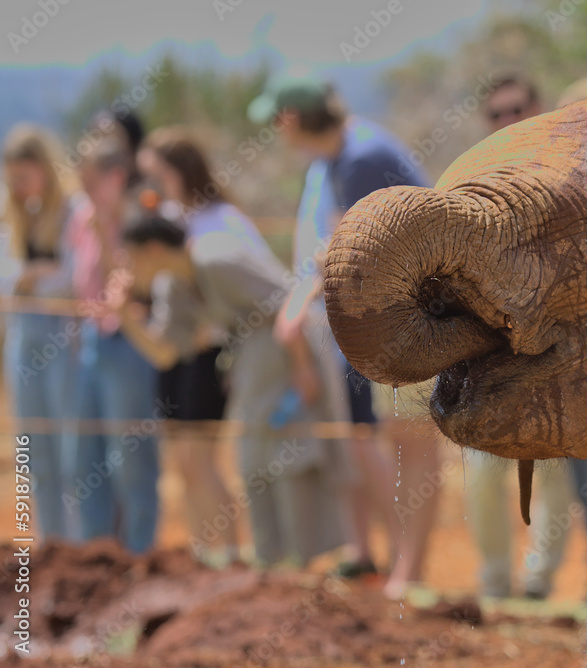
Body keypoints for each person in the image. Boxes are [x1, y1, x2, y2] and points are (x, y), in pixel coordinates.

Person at [248, 76, 441, 597]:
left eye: (277, 118)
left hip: (412, 322)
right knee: (375, 443)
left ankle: (411, 570)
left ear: (292, 118)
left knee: (410, 444)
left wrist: (304, 296)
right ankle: (396, 564)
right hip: (377, 325)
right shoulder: (338, 159)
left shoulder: (361, 159)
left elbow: (357, 248)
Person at [114, 199, 356, 568]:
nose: (130, 269)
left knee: (294, 459)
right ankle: (271, 567)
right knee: (255, 465)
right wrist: (125, 317)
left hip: (286, 358)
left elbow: (288, 303)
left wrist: (303, 369)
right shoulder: (175, 284)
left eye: (132, 258)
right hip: (250, 369)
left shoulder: (215, 258)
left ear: (154, 249)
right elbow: (165, 353)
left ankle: (305, 566)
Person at [462, 73, 587, 599]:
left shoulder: (570, 172)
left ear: (536, 107)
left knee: (559, 479)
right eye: (495, 114)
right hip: (490, 351)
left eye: (515, 109)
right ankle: (495, 579)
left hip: (559, 348)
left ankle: (540, 580)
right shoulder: (475, 179)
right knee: (484, 477)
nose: (506, 121)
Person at [135, 127, 267, 565]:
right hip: (175, 350)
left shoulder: (222, 219)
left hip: (210, 356)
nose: (150, 186)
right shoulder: (168, 216)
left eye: (156, 174)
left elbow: (251, 289)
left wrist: (214, 329)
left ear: (179, 170)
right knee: (182, 462)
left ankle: (230, 551)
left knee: (204, 459)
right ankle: (201, 553)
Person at [67, 129, 160, 554]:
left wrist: (106, 231)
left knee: (131, 457)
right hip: (92, 341)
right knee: (85, 456)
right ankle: (97, 549)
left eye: (91, 179)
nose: (85, 188)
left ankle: (138, 551)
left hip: (127, 344)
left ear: (117, 176)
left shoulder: (140, 217)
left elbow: (122, 285)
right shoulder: (83, 217)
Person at [0, 124, 84, 542]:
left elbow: (70, 279)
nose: (16, 184)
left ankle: (77, 541)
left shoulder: (72, 210)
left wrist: (31, 278)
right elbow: (7, 278)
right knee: (33, 447)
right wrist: (35, 274)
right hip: (22, 336)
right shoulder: (12, 215)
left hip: (62, 337)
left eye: (23, 174)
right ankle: (50, 540)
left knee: (70, 442)